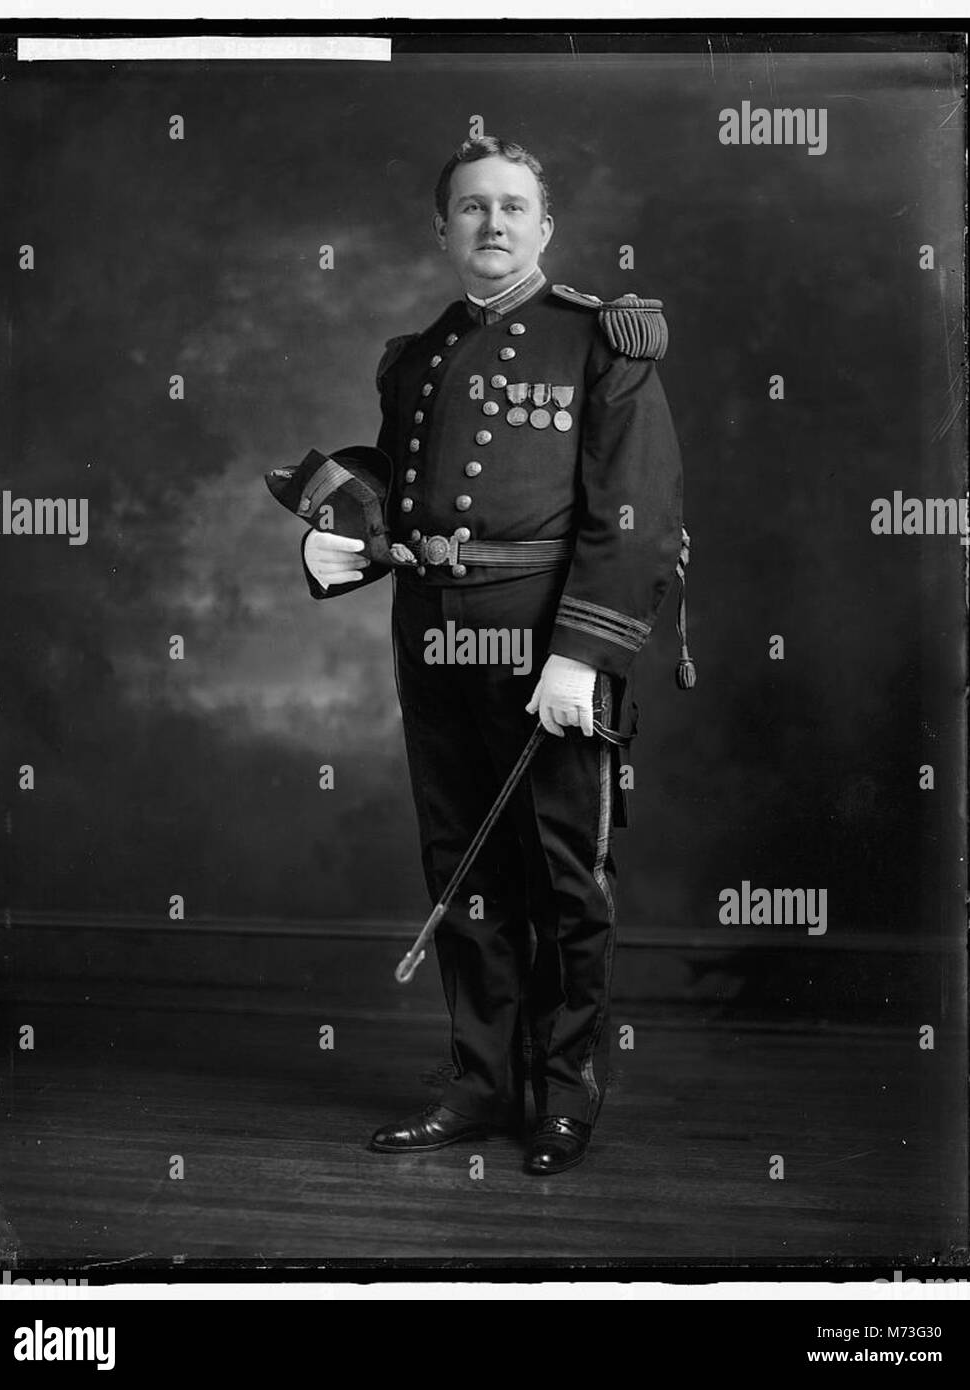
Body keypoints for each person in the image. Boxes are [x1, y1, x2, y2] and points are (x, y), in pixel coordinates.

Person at [301, 136, 683, 1174]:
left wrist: (579, 654)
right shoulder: (416, 358)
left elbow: (635, 519)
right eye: (471, 208)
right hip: (434, 641)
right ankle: (477, 1083)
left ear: (544, 226)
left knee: (564, 878)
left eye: (512, 207)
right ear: (441, 230)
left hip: (544, 642)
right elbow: (412, 498)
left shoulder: (600, 338)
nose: (492, 224)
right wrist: (344, 544)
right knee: (460, 869)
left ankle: (562, 1094)